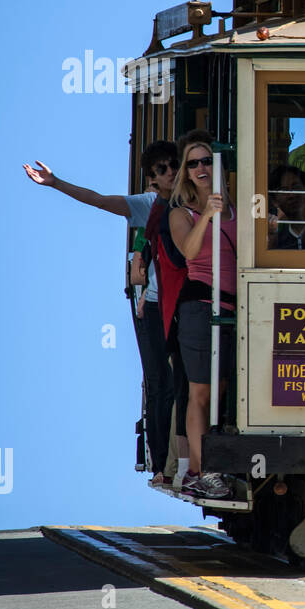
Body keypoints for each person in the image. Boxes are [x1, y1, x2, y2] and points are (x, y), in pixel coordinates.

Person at [23, 142, 180, 486]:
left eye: (173, 165)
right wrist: (56, 182)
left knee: (188, 383)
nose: (171, 172)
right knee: (159, 384)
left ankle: (190, 460)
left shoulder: (199, 202)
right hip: (155, 305)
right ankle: (161, 467)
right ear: (153, 179)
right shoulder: (150, 204)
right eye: (162, 170)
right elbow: (98, 199)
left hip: (188, 304)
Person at [169, 137, 238, 498]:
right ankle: (201, 470)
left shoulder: (238, 206)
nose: (201, 169)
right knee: (200, 392)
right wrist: (208, 214)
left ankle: (206, 465)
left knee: (221, 391)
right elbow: (188, 252)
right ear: (186, 172)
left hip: (233, 308)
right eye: (193, 163)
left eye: (207, 161)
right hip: (199, 306)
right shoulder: (182, 213)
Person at [268, 164, 305, 249]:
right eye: (284, 190)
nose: (291, 194)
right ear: (275, 201)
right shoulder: (279, 241)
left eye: (296, 187)